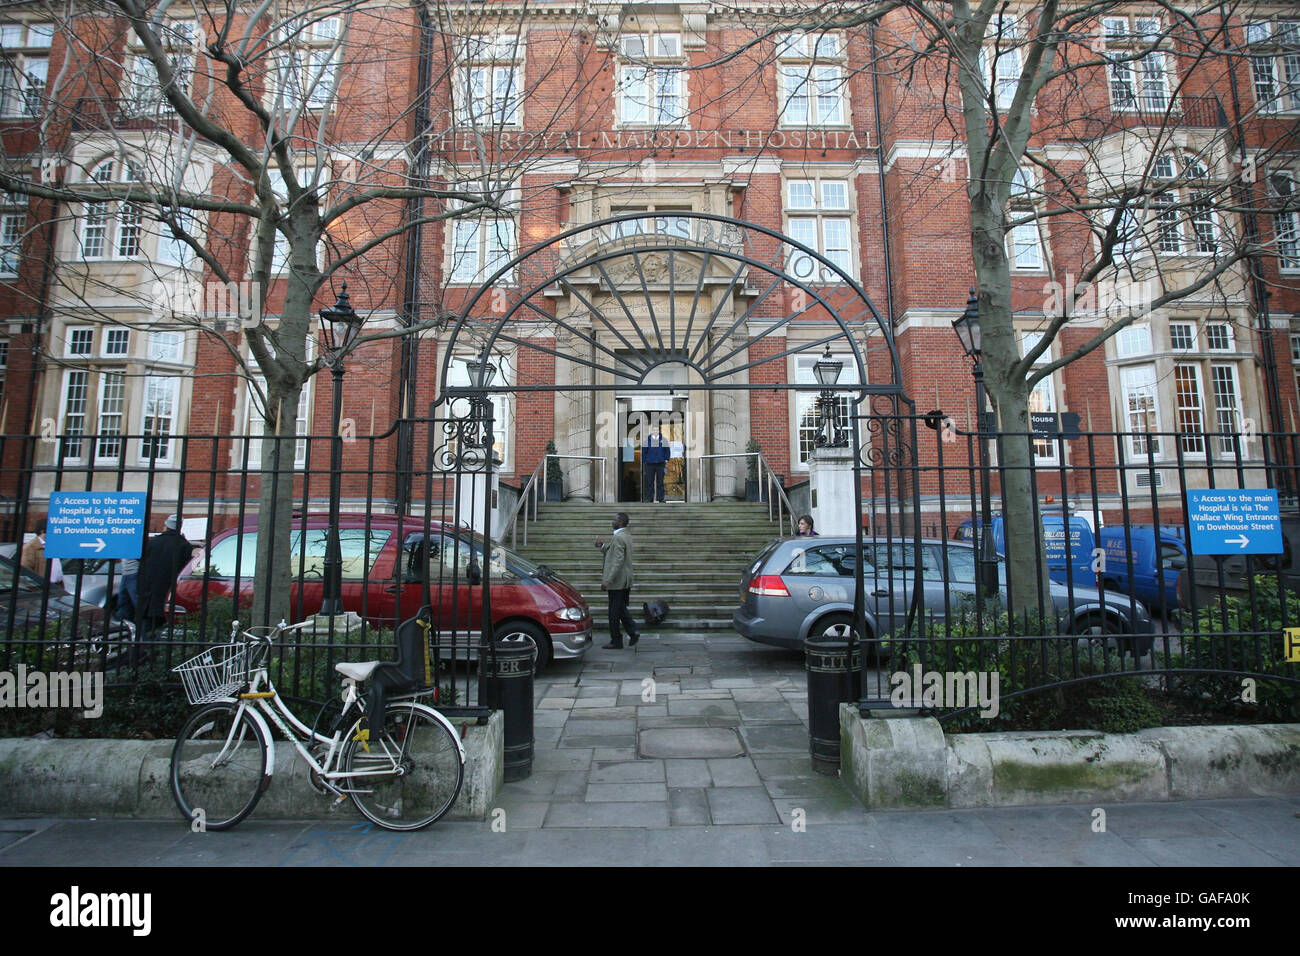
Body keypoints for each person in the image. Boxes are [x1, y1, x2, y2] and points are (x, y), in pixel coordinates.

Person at [137, 515, 194, 641]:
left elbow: (141, 564)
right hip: (168, 593)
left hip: (149, 592)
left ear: (166, 526)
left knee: (145, 629)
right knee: (165, 630)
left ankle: (141, 652)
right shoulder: (184, 546)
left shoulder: (153, 542)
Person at [594, 512, 639, 649]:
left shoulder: (619, 537)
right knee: (620, 609)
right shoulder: (625, 535)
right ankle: (631, 632)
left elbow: (618, 560)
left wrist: (608, 580)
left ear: (620, 522)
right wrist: (602, 547)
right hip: (624, 580)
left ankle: (617, 640)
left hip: (618, 581)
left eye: (614, 519)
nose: (612, 521)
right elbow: (614, 553)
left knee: (614, 612)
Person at [20, 520, 63, 585]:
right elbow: (26, 570)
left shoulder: (52, 545)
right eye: (53, 530)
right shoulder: (31, 547)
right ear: (42, 531)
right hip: (43, 587)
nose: (56, 532)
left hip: (57, 586)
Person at [643, 427, 669, 503]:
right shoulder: (647, 440)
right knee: (650, 482)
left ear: (659, 431)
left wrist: (666, 458)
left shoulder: (664, 440)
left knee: (660, 482)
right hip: (649, 464)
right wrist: (645, 460)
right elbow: (644, 451)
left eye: (657, 430)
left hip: (660, 463)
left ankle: (661, 498)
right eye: (654, 430)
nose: (655, 431)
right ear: (652, 431)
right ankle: (650, 498)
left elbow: (667, 450)